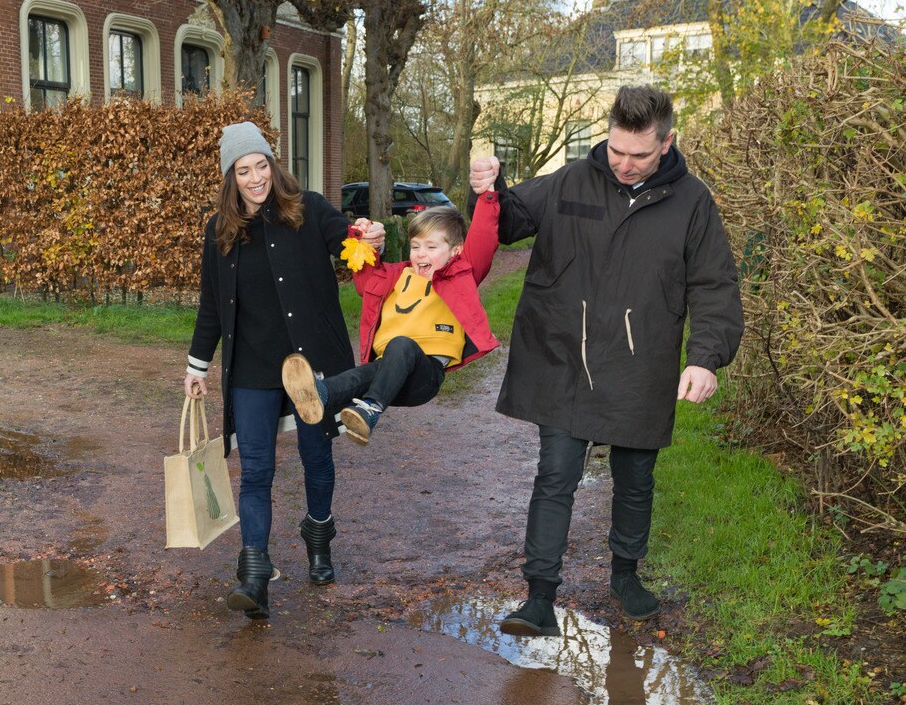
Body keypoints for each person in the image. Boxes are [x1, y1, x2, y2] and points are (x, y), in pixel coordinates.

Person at [487, 84, 743, 637]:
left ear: (667, 143)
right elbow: (506, 224)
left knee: (634, 477)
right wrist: (490, 189)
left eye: (639, 154)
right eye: (615, 149)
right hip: (564, 355)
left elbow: (715, 285)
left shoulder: (693, 202)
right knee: (555, 474)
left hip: (639, 359)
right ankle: (538, 597)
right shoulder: (570, 181)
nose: (624, 164)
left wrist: (705, 358)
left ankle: (626, 576)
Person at [185, 121, 357, 619]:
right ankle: (255, 571)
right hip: (253, 367)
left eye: (262, 165)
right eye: (244, 170)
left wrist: (369, 237)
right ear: (230, 177)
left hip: (311, 364)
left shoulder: (310, 210)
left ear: (273, 165)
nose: (256, 177)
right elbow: (211, 306)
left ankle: (318, 534)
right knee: (256, 469)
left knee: (315, 456)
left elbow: (354, 251)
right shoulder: (218, 230)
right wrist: (197, 365)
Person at [280, 188, 501, 447]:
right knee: (367, 371)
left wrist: (487, 194)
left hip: (424, 375)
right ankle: (322, 394)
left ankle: (370, 409)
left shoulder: (459, 276)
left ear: (455, 251)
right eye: (415, 246)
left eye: (431, 247)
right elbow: (365, 276)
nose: (420, 253)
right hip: (389, 373)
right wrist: (364, 239)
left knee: (401, 343)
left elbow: (484, 240)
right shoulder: (396, 276)